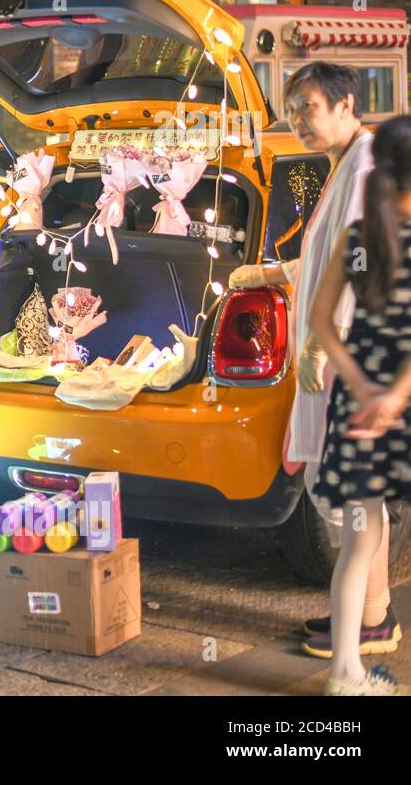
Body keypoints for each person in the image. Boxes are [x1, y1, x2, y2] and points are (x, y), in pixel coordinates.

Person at [229, 63, 397, 656]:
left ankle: (370, 625)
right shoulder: (344, 166)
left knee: (353, 496)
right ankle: (370, 615)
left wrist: (325, 341)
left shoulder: (366, 165)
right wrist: (271, 272)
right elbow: (328, 254)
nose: (297, 120)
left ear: (346, 103)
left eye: (308, 107)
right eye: (291, 110)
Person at [307, 115, 411, 695]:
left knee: (362, 535)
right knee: (366, 533)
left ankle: (344, 674)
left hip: (359, 403)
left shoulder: (360, 239)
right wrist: (395, 394)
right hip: (400, 400)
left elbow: (324, 322)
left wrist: (364, 388)